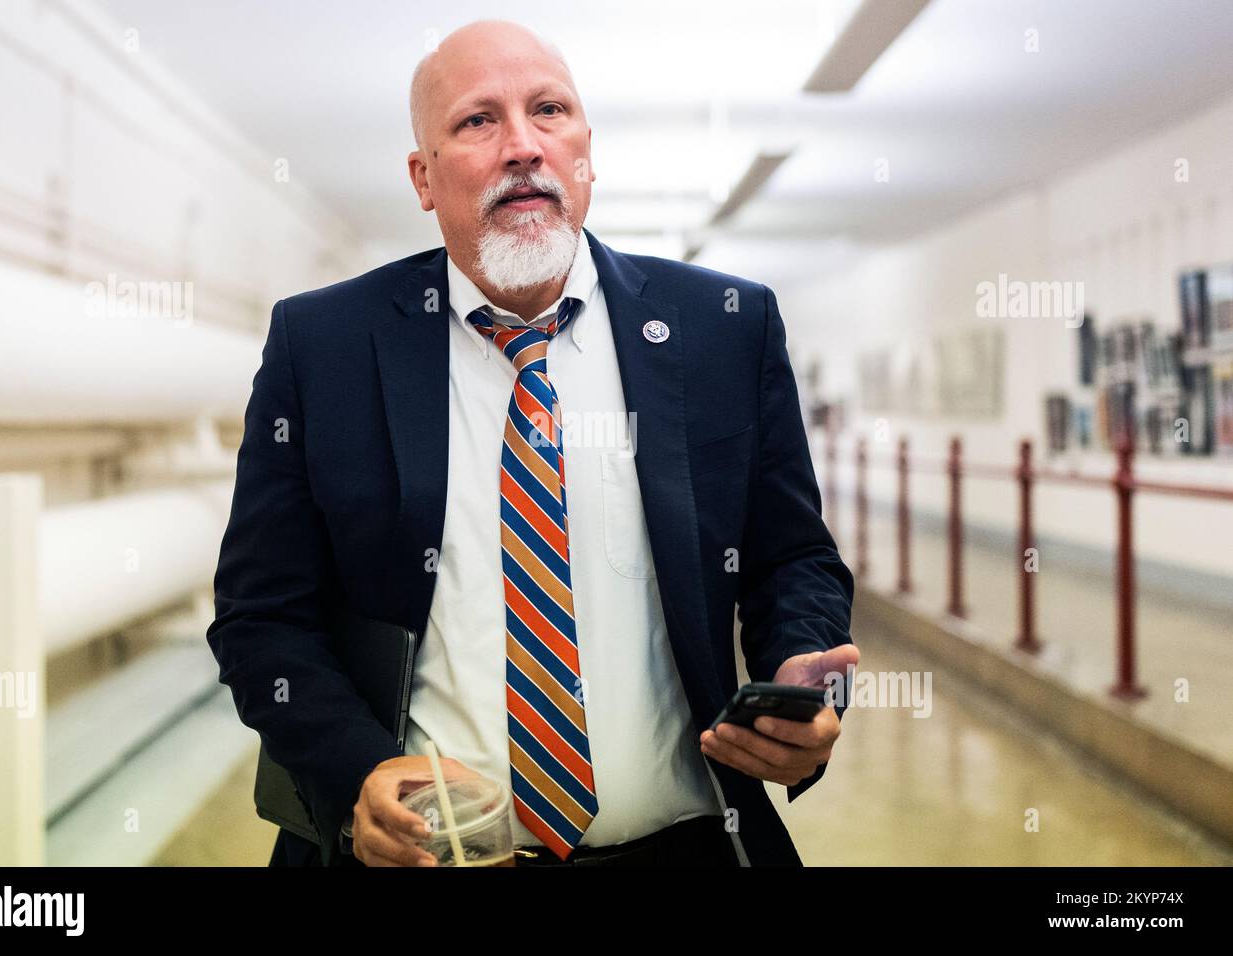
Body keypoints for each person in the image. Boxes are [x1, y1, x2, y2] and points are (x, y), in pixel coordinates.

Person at [207, 18, 857, 869]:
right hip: (435, 859)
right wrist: (356, 771)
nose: (522, 146)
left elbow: (793, 558)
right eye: (477, 121)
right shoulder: (324, 345)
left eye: (548, 111)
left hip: (685, 848)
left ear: (585, 149)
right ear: (424, 177)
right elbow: (261, 617)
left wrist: (803, 679)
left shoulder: (722, 329)